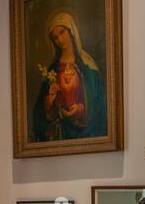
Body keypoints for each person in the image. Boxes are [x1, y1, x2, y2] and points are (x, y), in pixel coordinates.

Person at [31, 10, 107, 142]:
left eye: (62, 32)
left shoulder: (88, 65)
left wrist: (81, 109)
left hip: (86, 133)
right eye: (55, 37)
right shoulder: (52, 71)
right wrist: (50, 101)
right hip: (61, 134)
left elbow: (99, 101)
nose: (60, 40)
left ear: (71, 31)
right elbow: (41, 114)